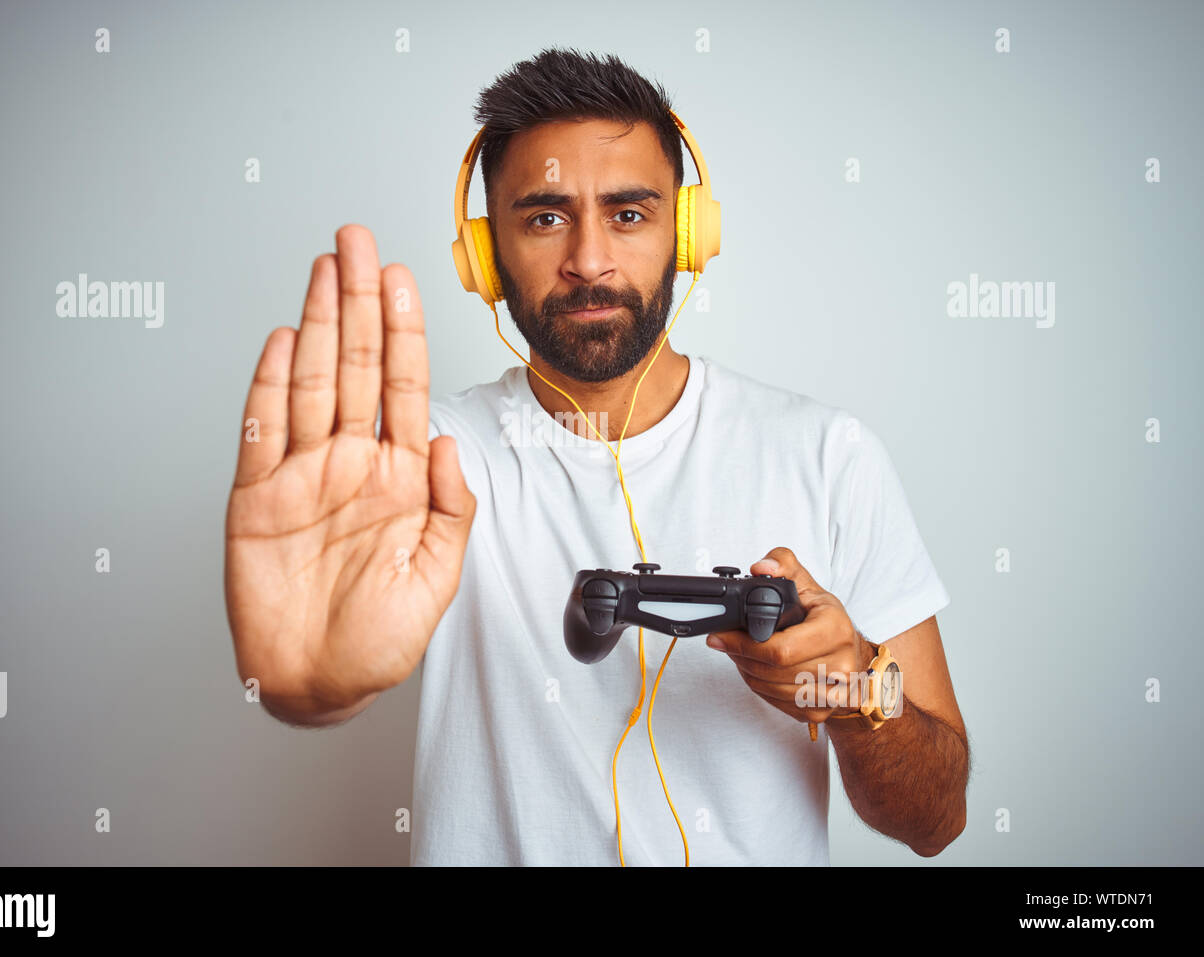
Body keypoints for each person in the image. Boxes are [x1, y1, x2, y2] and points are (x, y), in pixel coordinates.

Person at [224, 47, 969, 866]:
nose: (588, 259)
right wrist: (313, 688)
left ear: (688, 234)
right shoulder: (422, 466)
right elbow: (330, 661)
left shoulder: (831, 455)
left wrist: (859, 689)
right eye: (545, 216)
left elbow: (936, 820)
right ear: (483, 257)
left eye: (629, 212)